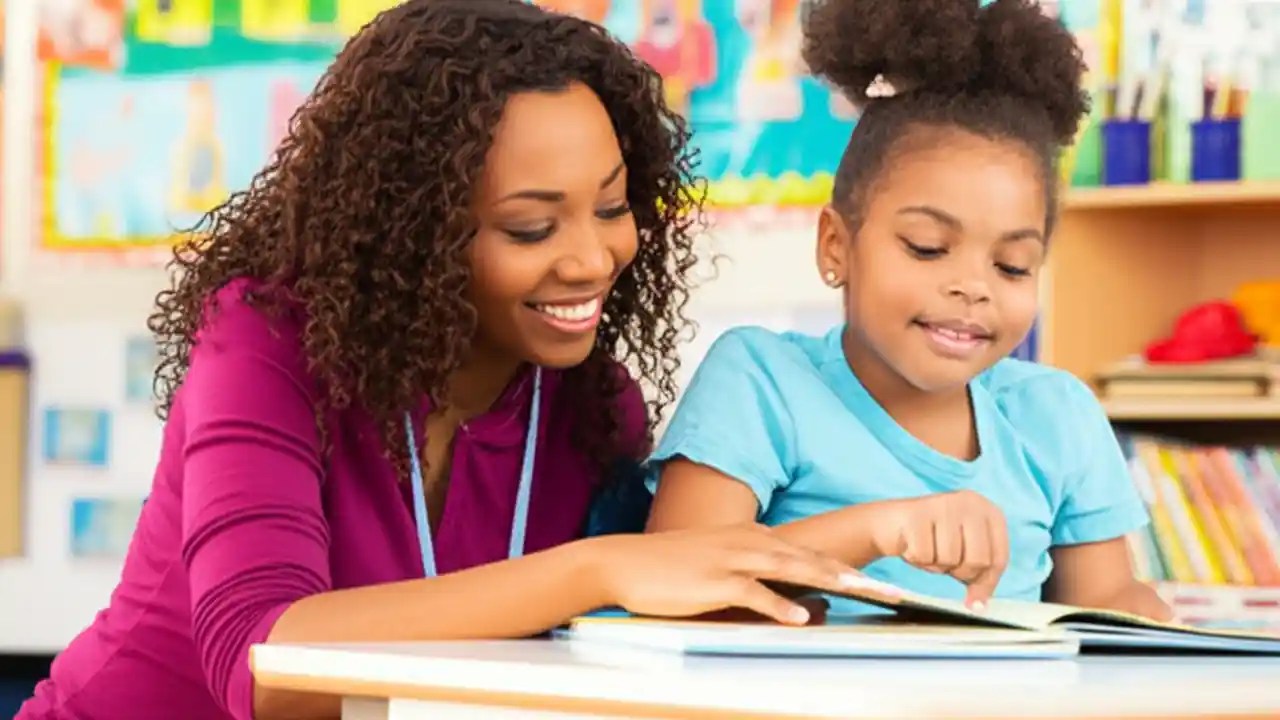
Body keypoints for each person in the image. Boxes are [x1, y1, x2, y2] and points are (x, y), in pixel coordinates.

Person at [18, 3, 866, 720]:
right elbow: (260, 664)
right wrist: (603, 568)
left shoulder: (592, 405)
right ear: (412, 232)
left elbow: (603, 643)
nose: (592, 259)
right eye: (531, 228)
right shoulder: (268, 339)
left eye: (612, 207)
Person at [645, 0, 1173, 621]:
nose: (972, 287)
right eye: (927, 248)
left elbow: (1105, 601)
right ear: (836, 246)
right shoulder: (762, 380)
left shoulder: (1055, 416)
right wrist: (879, 531)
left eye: (1011, 267)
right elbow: (673, 575)